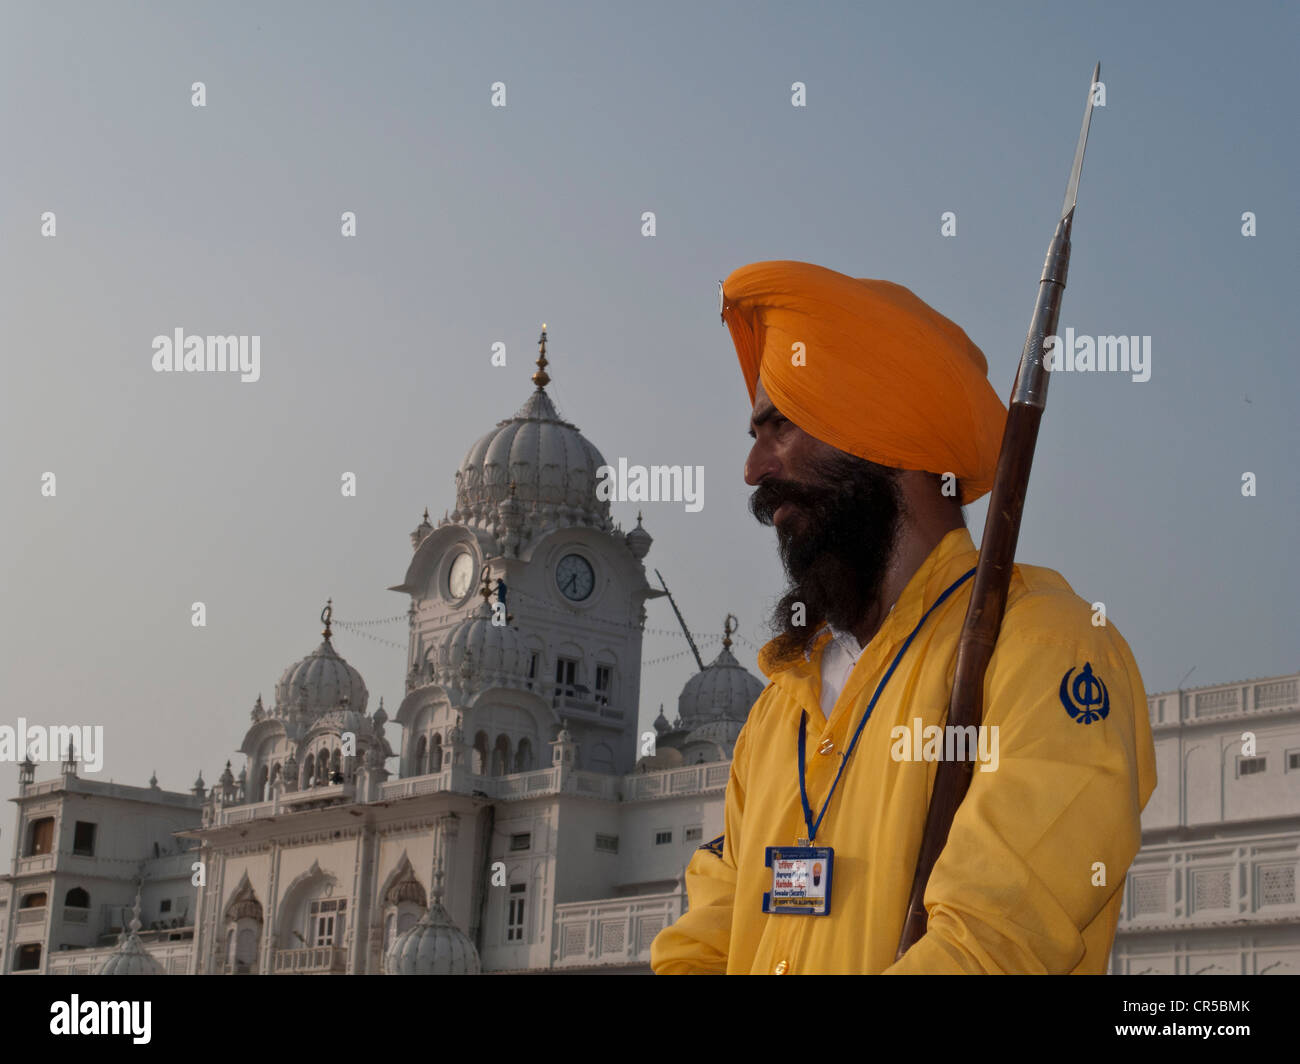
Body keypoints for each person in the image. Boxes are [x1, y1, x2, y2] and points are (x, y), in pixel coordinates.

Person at [650, 261, 1156, 974]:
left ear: (880, 434)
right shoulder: (780, 711)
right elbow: (704, 943)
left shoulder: (1044, 646)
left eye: (780, 426)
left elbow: (993, 942)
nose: (753, 468)